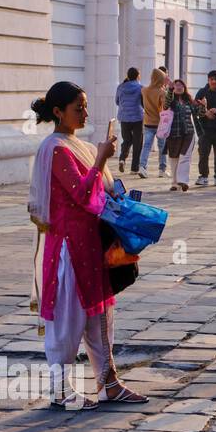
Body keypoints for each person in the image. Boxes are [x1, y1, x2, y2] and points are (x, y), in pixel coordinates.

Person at [27, 81, 147, 409]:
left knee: (100, 316)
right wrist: (100, 161)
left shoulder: (73, 145)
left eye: (85, 106)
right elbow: (82, 195)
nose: (84, 112)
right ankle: (60, 389)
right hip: (68, 248)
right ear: (57, 112)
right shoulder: (56, 149)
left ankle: (108, 381)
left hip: (90, 244)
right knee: (67, 319)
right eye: (77, 107)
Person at [164, 79, 202, 192]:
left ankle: (183, 181)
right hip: (173, 133)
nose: (179, 87)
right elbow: (165, 105)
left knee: (185, 157)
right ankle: (175, 183)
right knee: (174, 158)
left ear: (185, 87)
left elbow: (200, 113)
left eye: (181, 85)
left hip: (188, 133)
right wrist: (170, 89)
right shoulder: (171, 101)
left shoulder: (190, 101)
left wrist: (203, 106)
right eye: (176, 85)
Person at [140, 67, 170, 178]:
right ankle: (162, 170)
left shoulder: (144, 90)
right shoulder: (162, 92)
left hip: (147, 122)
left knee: (146, 146)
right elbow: (165, 106)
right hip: (160, 123)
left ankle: (142, 167)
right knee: (162, 147)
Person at [114, 67, 144, 176]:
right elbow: (143, 103)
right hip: (137, 117)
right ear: (138, 76)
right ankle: (134, 168)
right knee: (137, 142)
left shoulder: (120, 87)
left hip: (124, 117)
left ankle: (122, 159)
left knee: (127, 140)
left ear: (128, 75)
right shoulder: (140, 87)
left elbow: (117, 101)